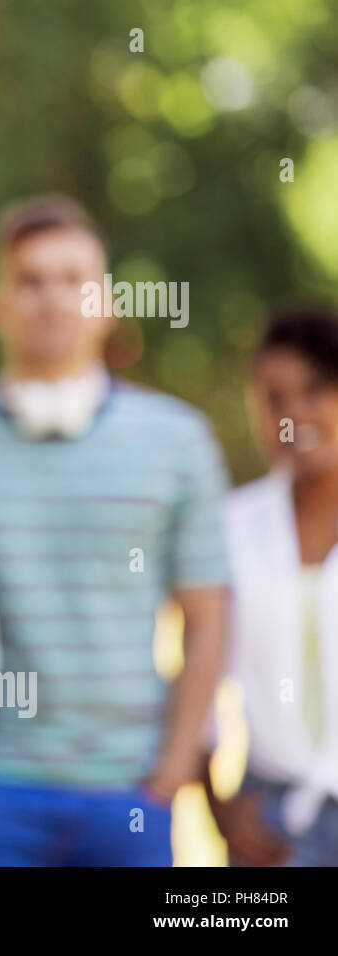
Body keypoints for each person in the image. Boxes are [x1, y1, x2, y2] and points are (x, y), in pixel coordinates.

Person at [0, 194, 230, 866]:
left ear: (105, 302)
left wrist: (173, 770)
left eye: (73, 281)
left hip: (130, 792)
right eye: (29, 281)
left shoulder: (177, 441)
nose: (52, 300)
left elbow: (207, 614)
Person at [205, 308, 338, 866]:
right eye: (274, 399)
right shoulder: (232, 525)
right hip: (268, 819)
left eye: (316, 390)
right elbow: (198, 663)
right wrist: (217, 803)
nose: (295, 414)